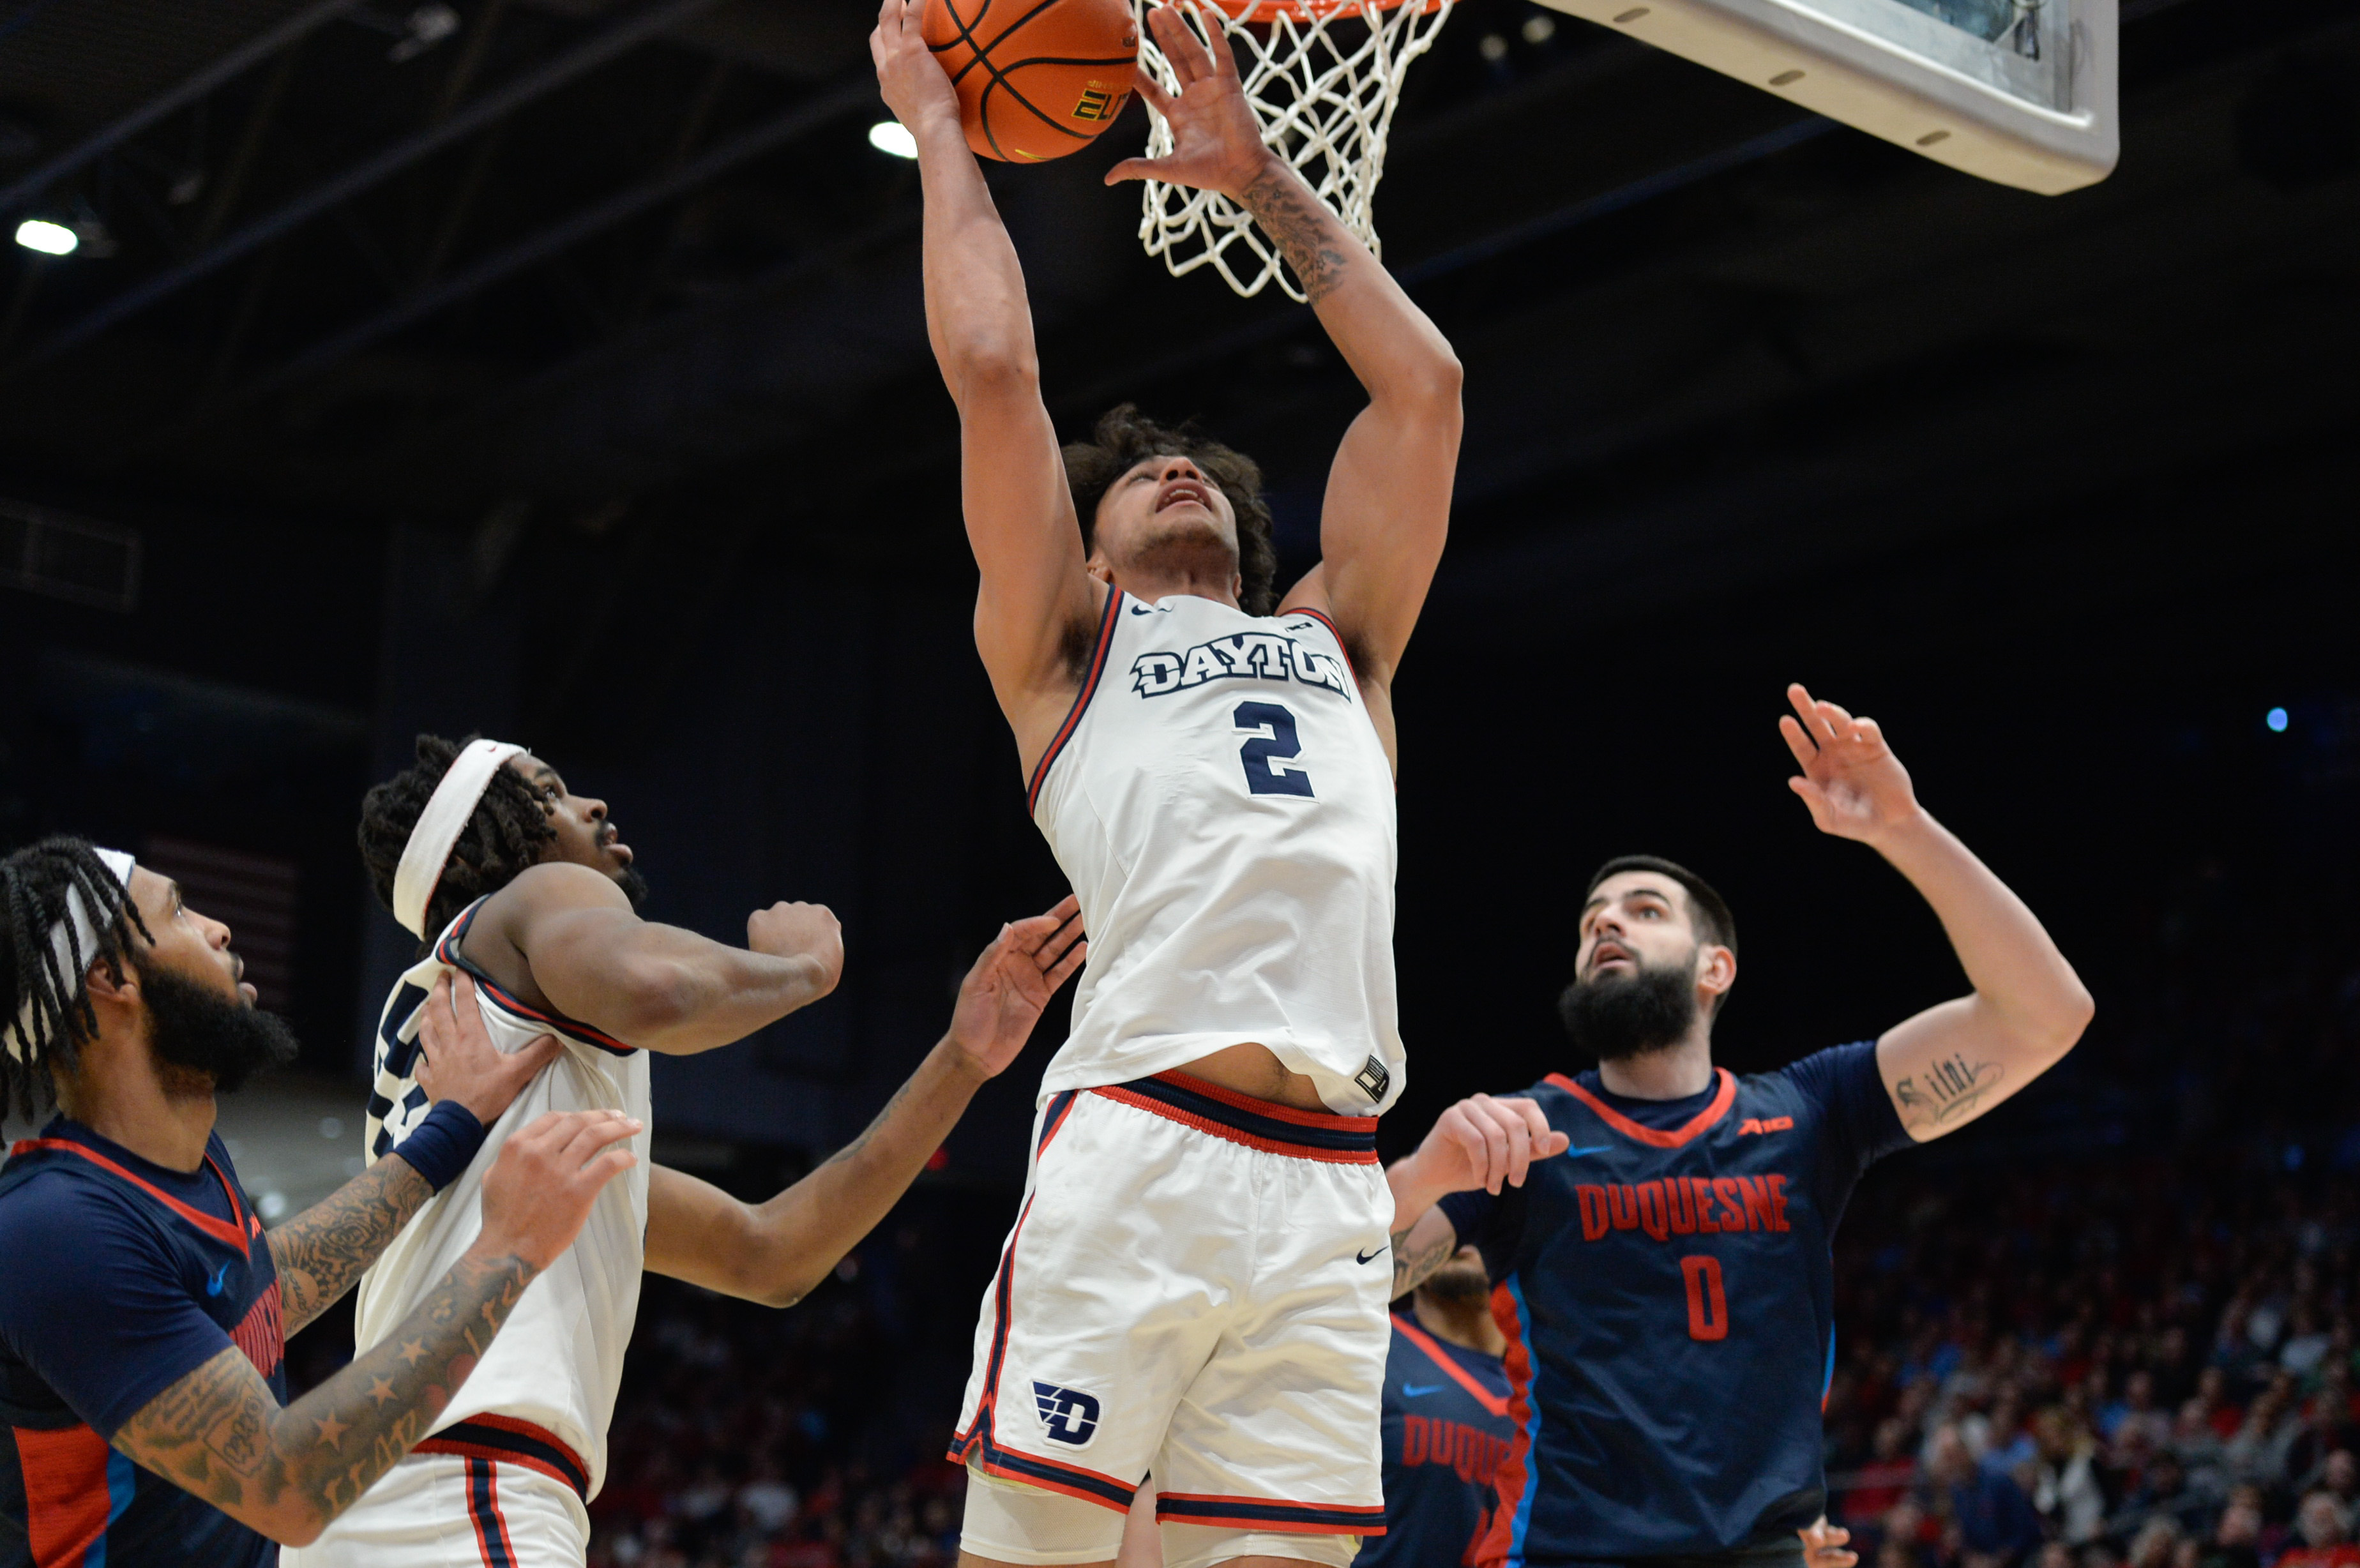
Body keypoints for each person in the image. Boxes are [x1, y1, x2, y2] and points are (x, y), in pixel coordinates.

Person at [870, 0, 1464, 1562]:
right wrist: (939, 126)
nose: (1177, 469)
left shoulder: (1340, 641)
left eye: (1193, 469)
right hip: (1140, 1140)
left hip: (1330, 1178)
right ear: (1091, 549)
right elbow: (993, 369)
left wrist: (1261, 177)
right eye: (1138, 477)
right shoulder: (1067, 648)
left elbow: (1425, 393)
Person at [290, 735, 1088, 1566]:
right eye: (550, 793)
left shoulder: (501, 1081)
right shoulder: (539, 892)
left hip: (369, 1496)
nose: (592, 805)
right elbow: (655, 993)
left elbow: (768, 1253)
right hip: (468, 1483)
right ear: (483, 847)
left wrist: (961, 1061)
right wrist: (804, 969)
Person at [1385, 685, 2096, 1568]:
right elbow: (1343, 1282)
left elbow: (2045, 1016)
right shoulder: (1526, 1134)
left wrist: (1905, 830)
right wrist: (1422, 1172)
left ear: (1716, 967)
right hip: (1572, 1550)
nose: (1606, 922)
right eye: (1591, 921)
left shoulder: (1810, 1110)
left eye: (1645, 910)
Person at [0, 836, 636, 1565]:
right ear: (112, 977)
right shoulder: (54, 1229)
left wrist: (449, 1130)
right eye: (178, 911)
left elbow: (264, 1287)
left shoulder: (179, 1162)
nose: (218, 928)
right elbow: (287, 1485)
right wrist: (508, 1252)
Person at [1355, 1247, 1515, 1568]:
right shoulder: (1359, 1346)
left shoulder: (1551, 1392)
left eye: (1481, 1222)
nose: (1462, 1235)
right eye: (1447, 1223)